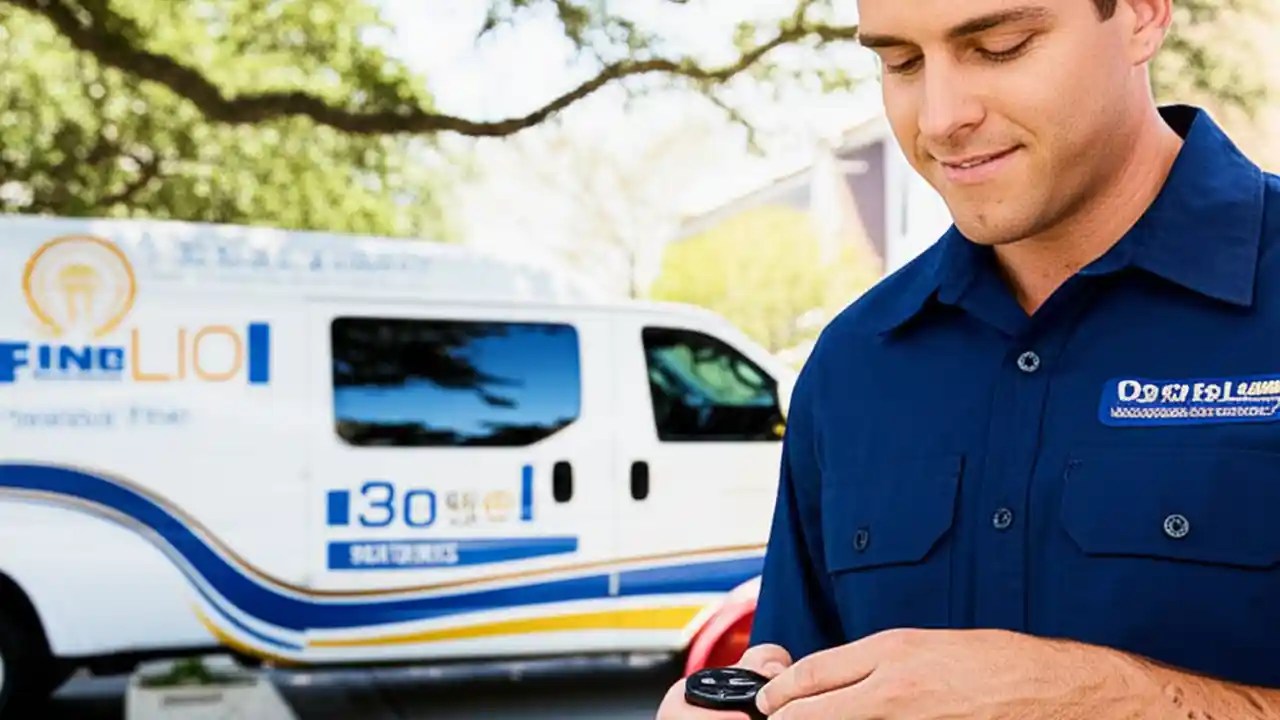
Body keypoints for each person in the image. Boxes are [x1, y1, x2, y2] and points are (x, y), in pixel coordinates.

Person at [657, 0, 1280, 717]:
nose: (939, 118)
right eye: (901, 63)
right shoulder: (854, 364)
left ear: (1142, 15)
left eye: (1001, 46)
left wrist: (1094, 698)